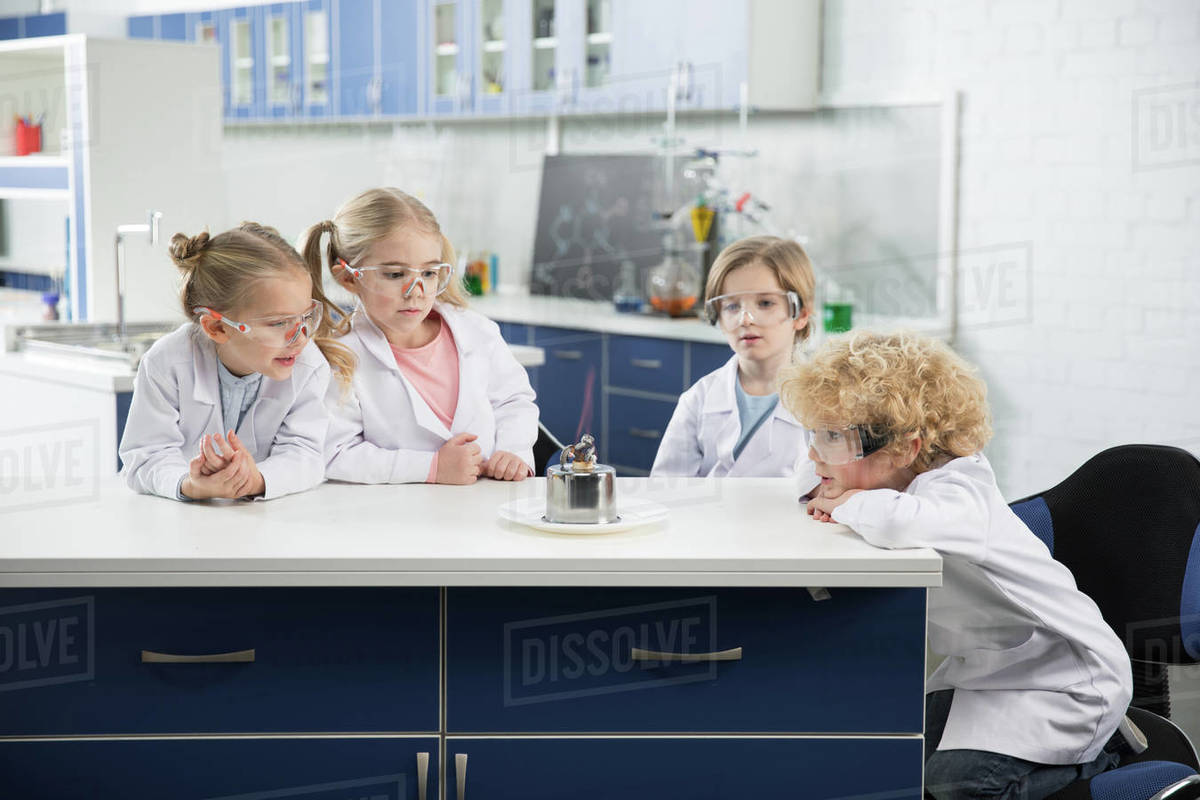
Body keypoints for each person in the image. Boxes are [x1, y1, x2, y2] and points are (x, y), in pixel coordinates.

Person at [779, 330, 1132, 800]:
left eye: (832, 438)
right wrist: (836, 486)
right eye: (814, 434)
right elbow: (807, 477)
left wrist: (843, 501)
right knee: (896, 752)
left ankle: (1099, 760)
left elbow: (902, 525)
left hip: (1067, 679)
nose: (814, 453)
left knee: (957, 783)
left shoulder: (962, 486)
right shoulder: (887, 474)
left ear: (905, 448)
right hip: (992, 671)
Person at [304, 188, 537, 485]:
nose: (416, 291)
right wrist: (431, 468)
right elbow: (336, 454)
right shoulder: (339, 358)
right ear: (348, 277)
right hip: (399, 519)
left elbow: (514, 401)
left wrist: (512, 451)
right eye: (395, 275)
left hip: (486, 504)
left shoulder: (477, 332)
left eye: (428, 273)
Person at [120, 223, 336, 501]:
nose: (300, 337)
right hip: (180, 519)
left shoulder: (309, 366)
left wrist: (256, 479)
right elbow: (145, 456)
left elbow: (306, 453)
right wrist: (189, 484)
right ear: (217, 328)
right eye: (278, 323)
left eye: (305, 317)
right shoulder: (167, 362)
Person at [651, 235, 814, 477]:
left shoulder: (825, 404)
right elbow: (666, 491)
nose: (745, 319)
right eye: (732, 306)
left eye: (766, 303)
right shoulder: (698, 400)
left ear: (800, 314)